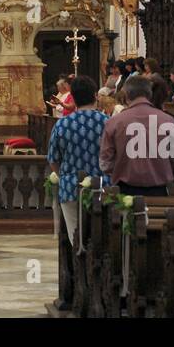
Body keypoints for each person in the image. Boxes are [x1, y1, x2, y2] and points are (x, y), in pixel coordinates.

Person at [45, 75, 108, 247]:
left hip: (70, 187)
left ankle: (78, 260)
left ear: (74, 97)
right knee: (100, 237)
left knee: (75, 236)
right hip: (102, 186)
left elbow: (53, 158)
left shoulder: (62, 124)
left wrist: (64, 175)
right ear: (95, 95)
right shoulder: (107, 122)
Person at [100, 75, 174, 197]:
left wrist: (122, 167)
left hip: (125, 191)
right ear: (149, 94)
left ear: (126, 95)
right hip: (159, 190)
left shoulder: (114, 122)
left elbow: (105, 163)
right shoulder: (167, 120)